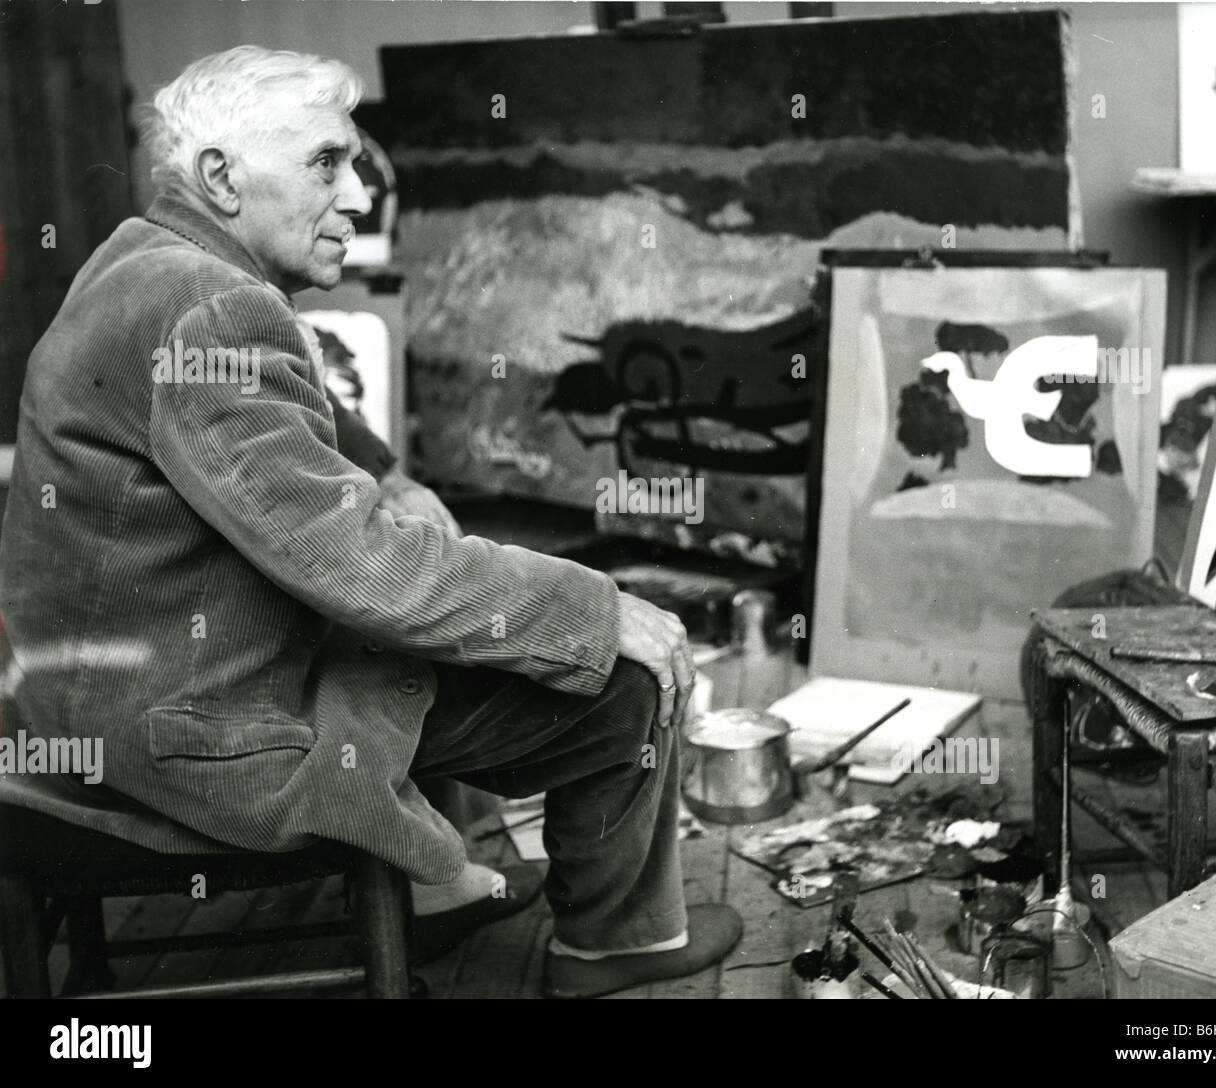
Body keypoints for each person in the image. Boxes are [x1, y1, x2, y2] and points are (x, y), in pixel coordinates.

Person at [0, 45, 741, 998]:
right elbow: (363, 571)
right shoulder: (210, 308)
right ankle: (614, 943)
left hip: (87, 698)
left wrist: (385, 475)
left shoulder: (142, 260)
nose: (358, 196)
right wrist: (601, 610)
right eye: (326, 164)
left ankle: (434, 889)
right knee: (619, 684)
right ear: (222, 177)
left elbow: (276, 410)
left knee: (462, 608)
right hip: (188, 729)